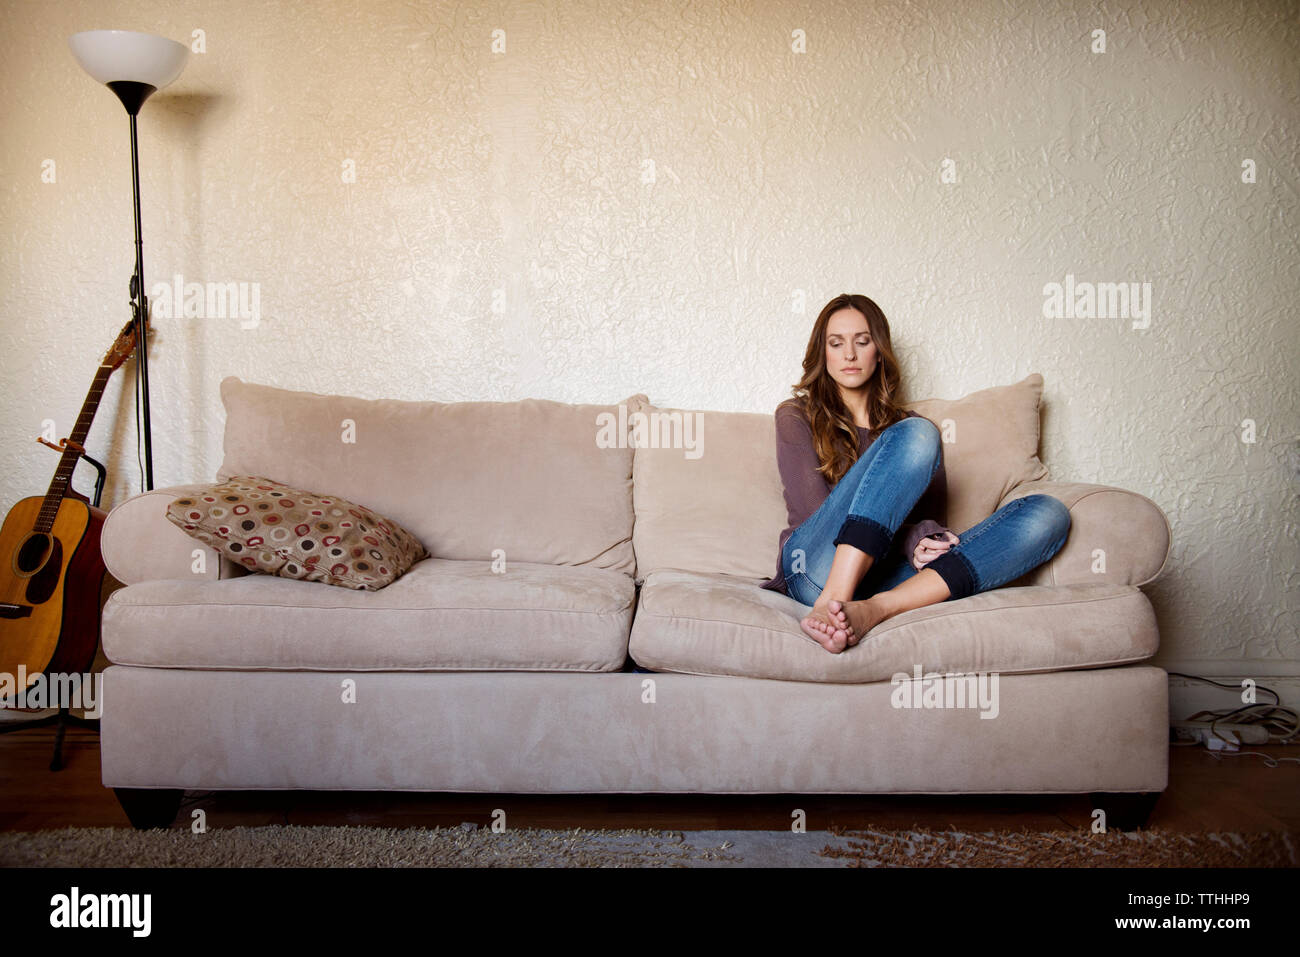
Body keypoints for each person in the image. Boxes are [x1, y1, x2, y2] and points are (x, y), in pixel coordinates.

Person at [759, 293, 1072, 653]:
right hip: (814, 570)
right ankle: (832, 601)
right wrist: (909, 539)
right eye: (836, 343)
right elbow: (811, 512)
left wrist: (926, 542)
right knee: (916, 436)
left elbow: (927, 520)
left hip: (884, 581)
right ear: (822, 353)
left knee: (1048, 514)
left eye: (862, 342)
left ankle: (873, 610)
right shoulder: (796, 415)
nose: (849, 355)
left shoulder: (912, 428)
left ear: (879, 352)